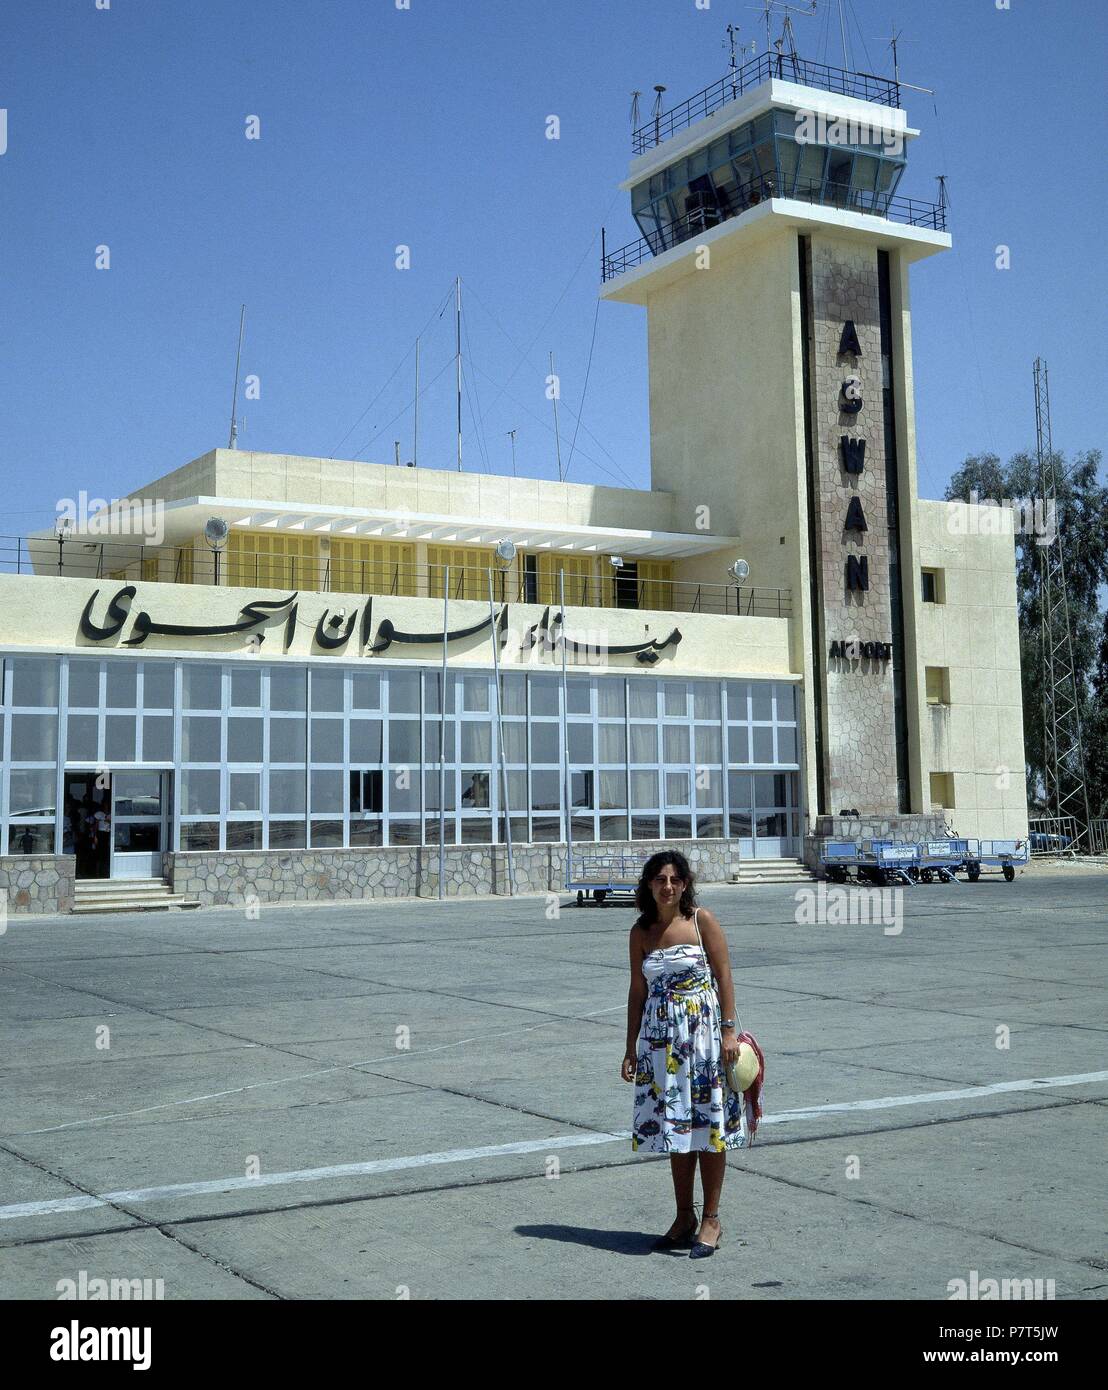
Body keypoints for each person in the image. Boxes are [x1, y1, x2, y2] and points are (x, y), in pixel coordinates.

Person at [621, 849, 744, 1257]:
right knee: (675, 1129)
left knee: (708, 1128)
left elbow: (724, 975)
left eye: (674, 880)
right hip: (661, 1045)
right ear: (649, 885)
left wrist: (728, 1032)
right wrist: (630, 1047)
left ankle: (711, 1218)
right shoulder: (640, 932)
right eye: (659, 880)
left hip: (705, 1040)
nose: (667, 887)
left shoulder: (700, 921)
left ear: (685, 884)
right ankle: (683, 1216)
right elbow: (637, 992)